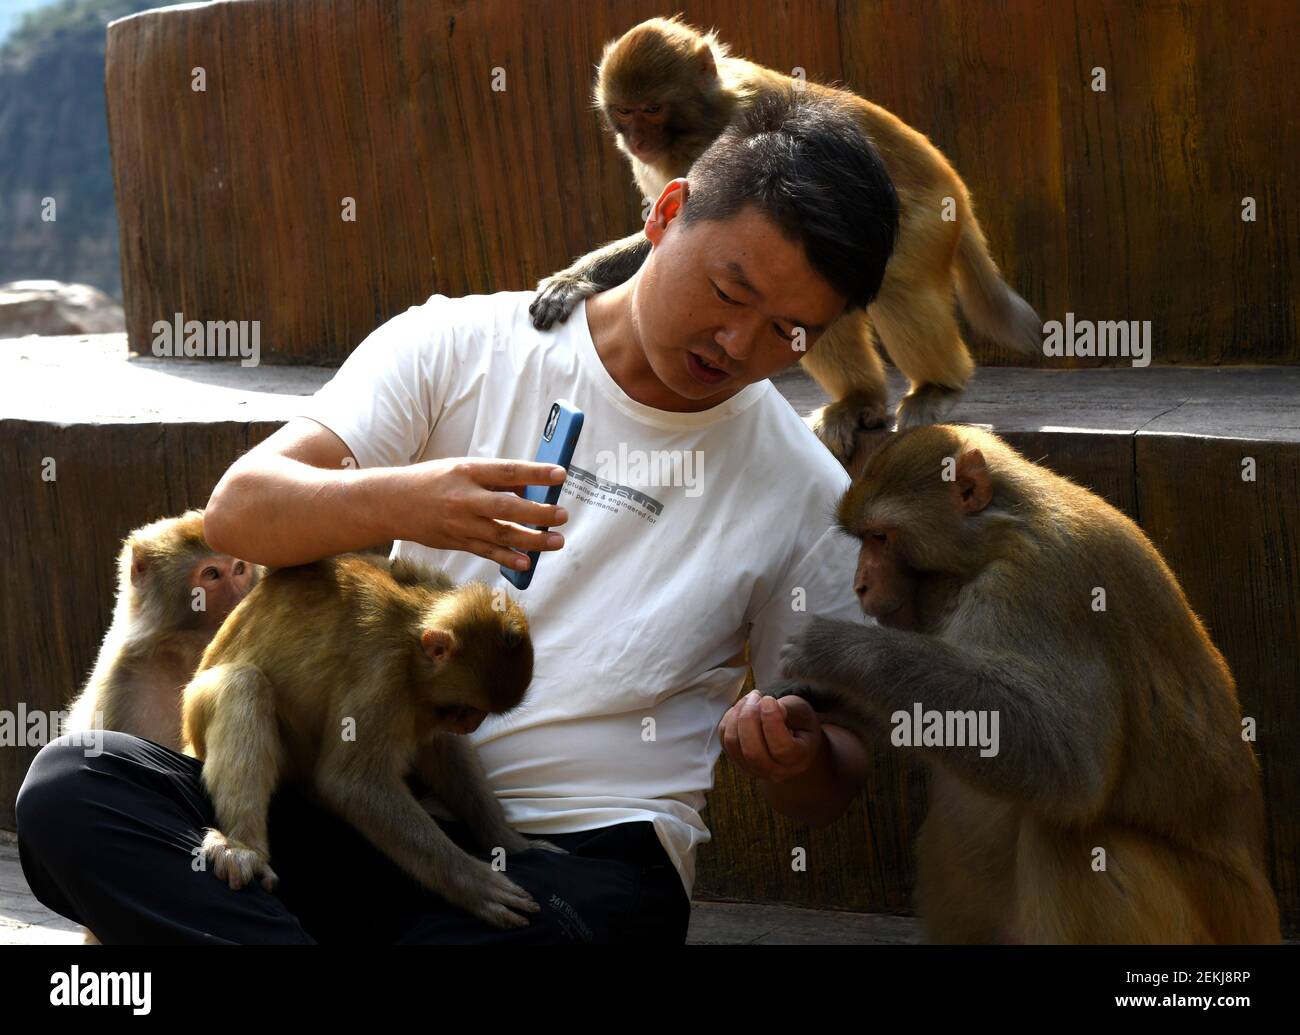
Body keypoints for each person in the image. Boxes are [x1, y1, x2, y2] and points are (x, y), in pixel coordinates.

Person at [16, 88, 900, 944]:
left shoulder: (803, 490)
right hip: (361, 797)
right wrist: (412, 498)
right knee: (76, 789)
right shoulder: (464, 346)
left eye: (790, 332)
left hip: (582, 857)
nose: (740, 346)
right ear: (666, 215)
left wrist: (795, 759)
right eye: (730, 291)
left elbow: (834, 774)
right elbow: (243, 512)